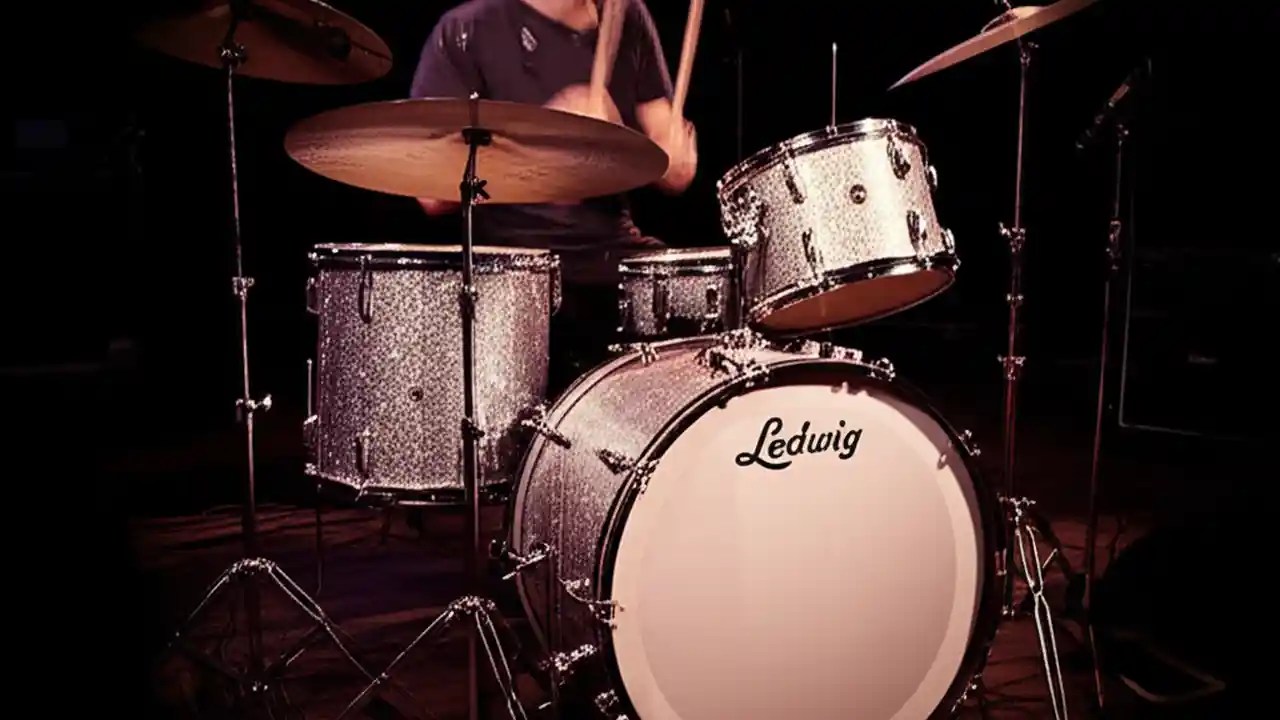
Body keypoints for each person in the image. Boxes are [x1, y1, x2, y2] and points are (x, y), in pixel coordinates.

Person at [409, 0, 698, 395]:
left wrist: (676, 158)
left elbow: (668, 158)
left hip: (615, 263)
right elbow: (430, 191)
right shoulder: (468, 28)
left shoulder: (625, 13)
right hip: (509, 273)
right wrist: (549, 143)